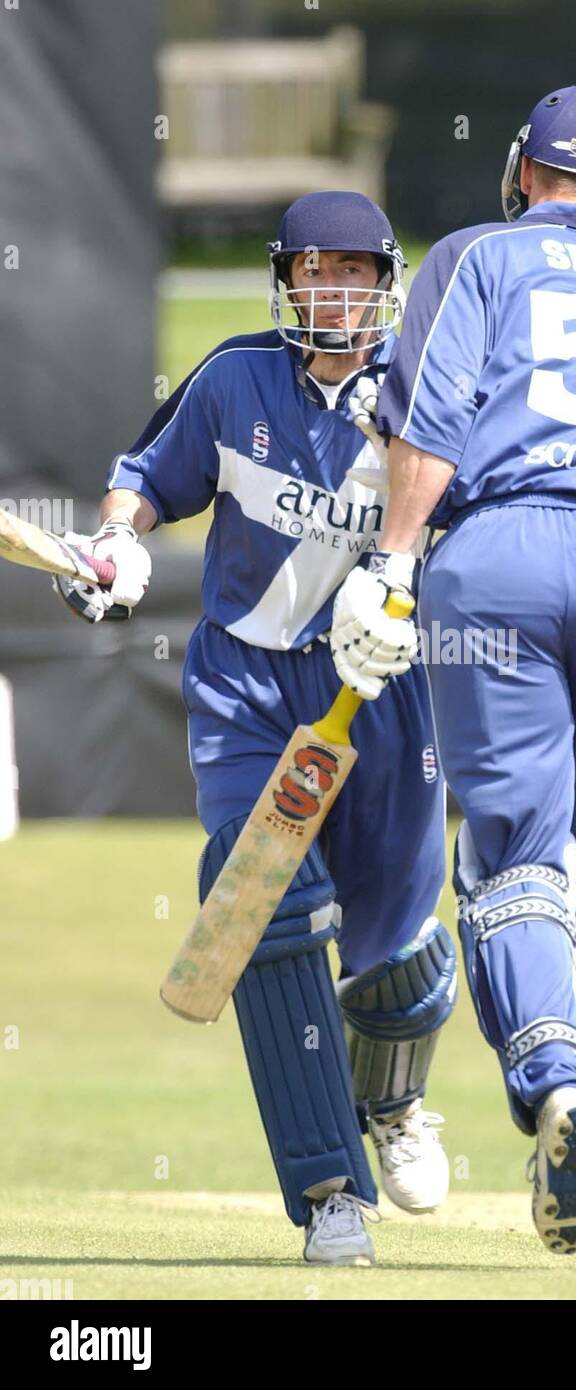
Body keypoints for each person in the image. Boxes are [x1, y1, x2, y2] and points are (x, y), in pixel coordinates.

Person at [54, 192, 455, 1267]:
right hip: (246, 688)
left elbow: (480, 522)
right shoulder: (235, 378)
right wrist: (116, 548)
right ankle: (329, 1190)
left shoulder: (426, 391)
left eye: (353, 272)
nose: (332, 291)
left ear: (384, 283)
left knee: (400, 956)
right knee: (264, 904)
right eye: (313, 270)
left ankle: (396, 1098)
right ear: (287, 279)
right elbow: (141, 483)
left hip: (382, 695)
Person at [330, 89, 576, 1256]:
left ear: (517, 172)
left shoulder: (473, 257)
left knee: (514, 850)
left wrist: (388, 568)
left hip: (496, 560)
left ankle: (555, 1079)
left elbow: (428, 424)